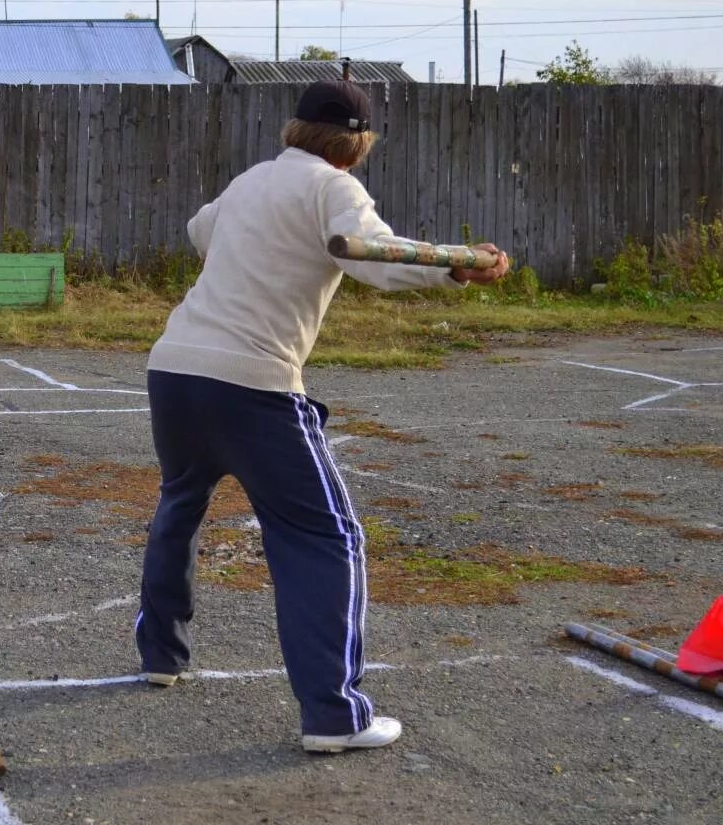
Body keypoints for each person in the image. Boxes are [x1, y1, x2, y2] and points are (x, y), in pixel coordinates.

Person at [135, 80, 509, 754]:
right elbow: (375, 258)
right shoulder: (334, 187)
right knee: (325, 535)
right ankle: (336, 716)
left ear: (296, 128)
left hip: (175, 368)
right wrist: (459, 267)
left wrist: (254, 247)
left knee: (180, 502)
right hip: (252, 383)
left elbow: (199, 231)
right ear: (357, 144)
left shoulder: (251, 181)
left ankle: (160, 655)